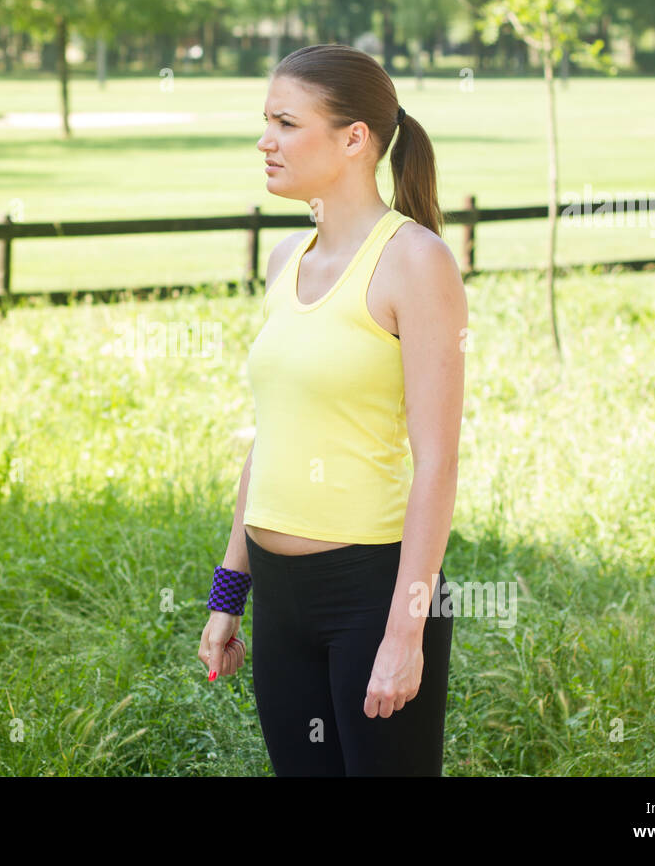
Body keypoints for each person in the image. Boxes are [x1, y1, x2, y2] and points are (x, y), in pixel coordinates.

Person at [198, 43, 466, 776]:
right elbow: (274, 437)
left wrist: (405, 632)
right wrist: (230, 594)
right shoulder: (286, 259)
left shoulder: (415, 261)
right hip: (282, 601)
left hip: (372, 592)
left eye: (286, 122)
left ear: (355, 140)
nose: (264, 140)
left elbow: (438, 461)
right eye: (265, 121)